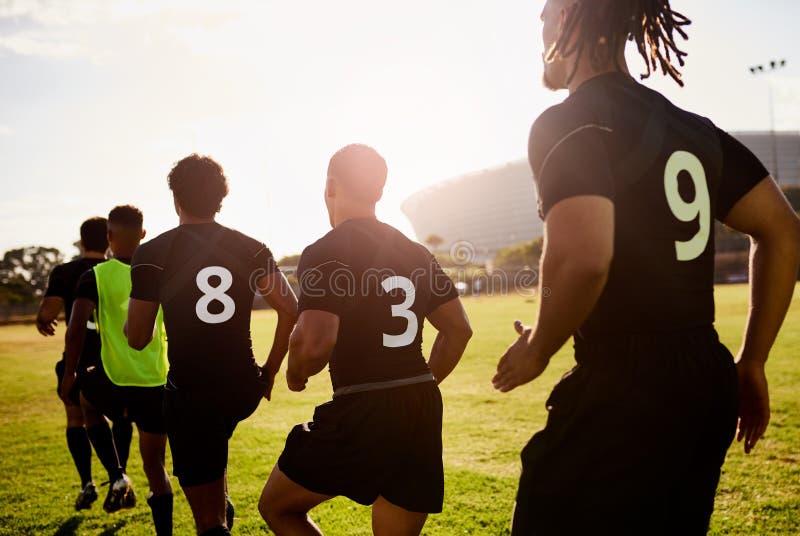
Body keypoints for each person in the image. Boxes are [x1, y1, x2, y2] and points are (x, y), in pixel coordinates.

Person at [491, 1, 800, 534]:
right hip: (704, 379)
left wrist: (538, 347)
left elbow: (585, 258)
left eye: (543, 16)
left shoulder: (568, 120)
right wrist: (750, 362)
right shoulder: (695, 130)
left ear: (567, 17)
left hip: (624, 387)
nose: (539, 30)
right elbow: (783, 231)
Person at [259, 144, 473, 535]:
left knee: (277, 507)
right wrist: (419, 383)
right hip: (421, 407)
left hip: (364, 405)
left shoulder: (326, 249)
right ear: (379, 189)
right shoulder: (415, 251)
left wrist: (295, 374)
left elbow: (315, 343)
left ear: (331, 186)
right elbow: (459, 329)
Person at [126, 154, 298, 536]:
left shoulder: (152, 253)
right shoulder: (252, 247)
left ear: (176, 198)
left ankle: (217, 510)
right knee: (211, 460)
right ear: (222, 197)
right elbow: (290, 308)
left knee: (209, 524)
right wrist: (269, 371)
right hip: (242, 386)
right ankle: (218, 494)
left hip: (192, 393)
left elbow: (137, 339)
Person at [61, 205, 173, 534]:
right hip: (155, 380)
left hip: (113, 380)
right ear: (143, 234)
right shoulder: (162, 272)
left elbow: (76, 326)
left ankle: (117, 473)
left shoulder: (94, 275)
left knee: (87, 404)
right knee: (156, 467)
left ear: (109, 237)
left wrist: (70, 373)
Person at [37, 216, 133, 510]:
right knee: (122, 418)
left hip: (78, 359)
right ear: (108, 238)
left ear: (81, 241)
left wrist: (44, 321)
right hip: (117, 360)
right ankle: (119, 476)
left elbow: (48, 312)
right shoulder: (119, 270)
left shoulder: (66, 271)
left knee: (76, 419)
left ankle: (88, 483)